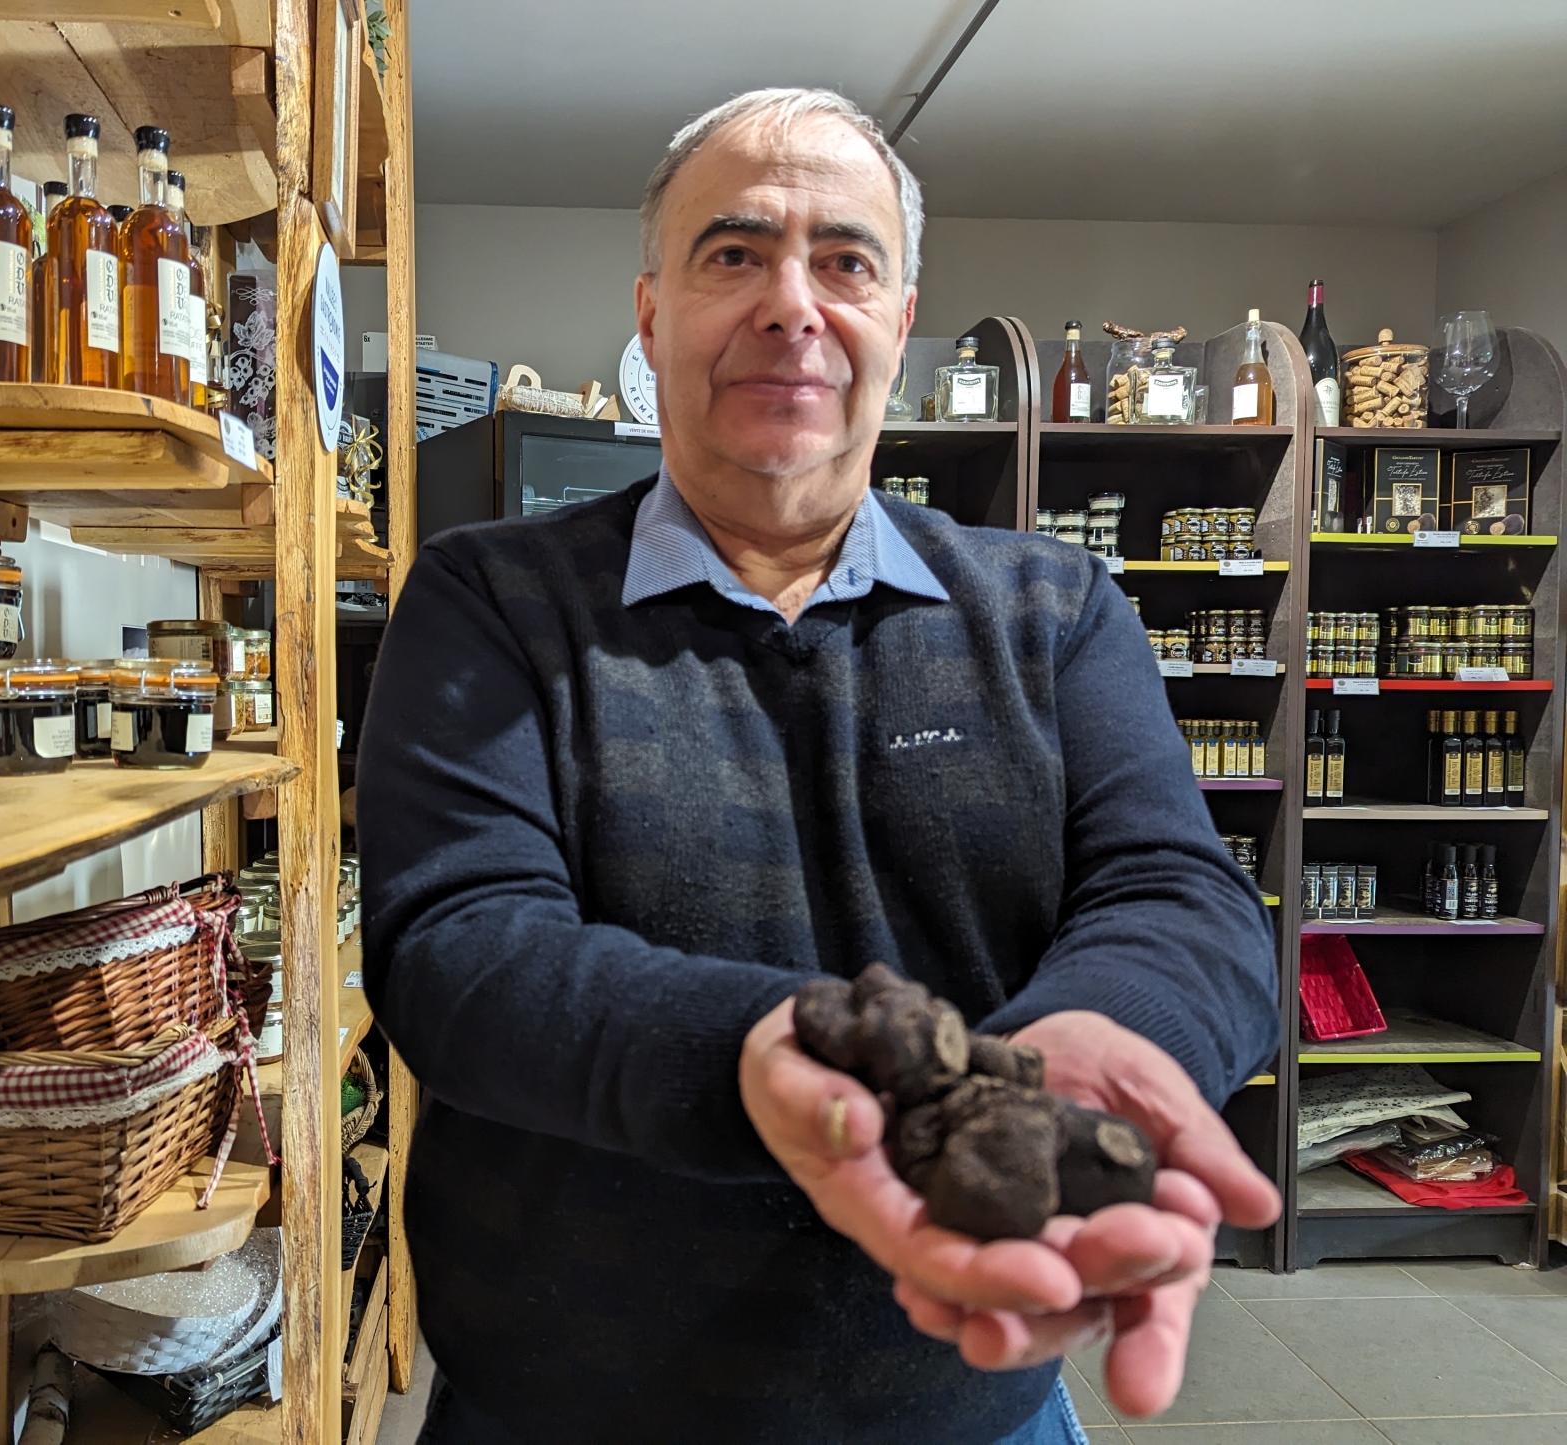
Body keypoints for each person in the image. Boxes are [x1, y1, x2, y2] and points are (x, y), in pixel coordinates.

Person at [357, 87, 1281, 1445]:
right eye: (734, 254)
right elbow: (460, 947)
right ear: (653, 313)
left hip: (973, 1405)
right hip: (567, 1406)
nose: (794, 301)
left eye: (845, 260)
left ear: (899, 325)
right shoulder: (490, 598)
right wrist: (762, 1055)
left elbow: (1179, 894)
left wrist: (1086, 1049)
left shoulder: (1056, 607)